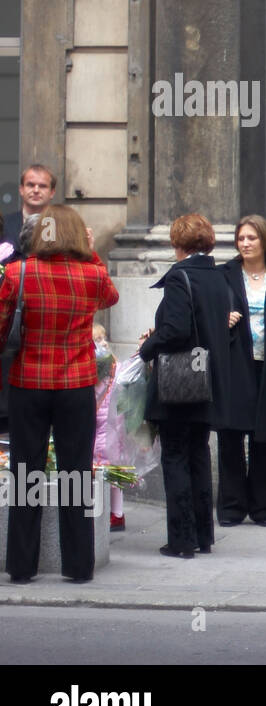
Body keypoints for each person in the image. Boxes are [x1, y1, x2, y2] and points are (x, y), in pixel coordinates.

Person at [0, 205, 118, 582]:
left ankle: (21, 566)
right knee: (76, 472)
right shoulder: (92, 274)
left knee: (25, 471)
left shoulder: (19, 272)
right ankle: (79, 565)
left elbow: (3, 324)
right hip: (75, 384)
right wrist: (91, 251)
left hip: (28, 382)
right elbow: (111, 297)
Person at [138, 213, 233, 559]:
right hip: (207, 381)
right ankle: (203, 536)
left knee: (176, 457)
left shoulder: (180, 277)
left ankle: (181, 540)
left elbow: (176, 330)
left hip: (180, 382)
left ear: (177, 243)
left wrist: (147, 347)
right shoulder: (218, 276)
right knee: (198, 455)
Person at [218, 215, 266, 527]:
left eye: (251, 238)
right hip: (235, 364)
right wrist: (223, 319)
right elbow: (209, 312)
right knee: (231, 434)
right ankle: (231, 506)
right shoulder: (223, 275)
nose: (245, 244)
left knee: (265, 436)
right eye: (241, 239)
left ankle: (263, 505)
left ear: (265, 242)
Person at [92, 323, 127, 532]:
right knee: (113, 470)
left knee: (104, 469)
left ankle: (114, 513)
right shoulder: (115, 365)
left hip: (103, 425)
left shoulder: (105, 366)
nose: (103, 342)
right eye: (97, 339)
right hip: (111, 425)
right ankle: (117, 513)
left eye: (103, 338)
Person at [1, 163, 57, 265]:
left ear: (52, 192)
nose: (36, 190)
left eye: (42, 186)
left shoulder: (62, 226)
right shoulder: (4, 224)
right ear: (21, 189)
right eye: (30, 185)